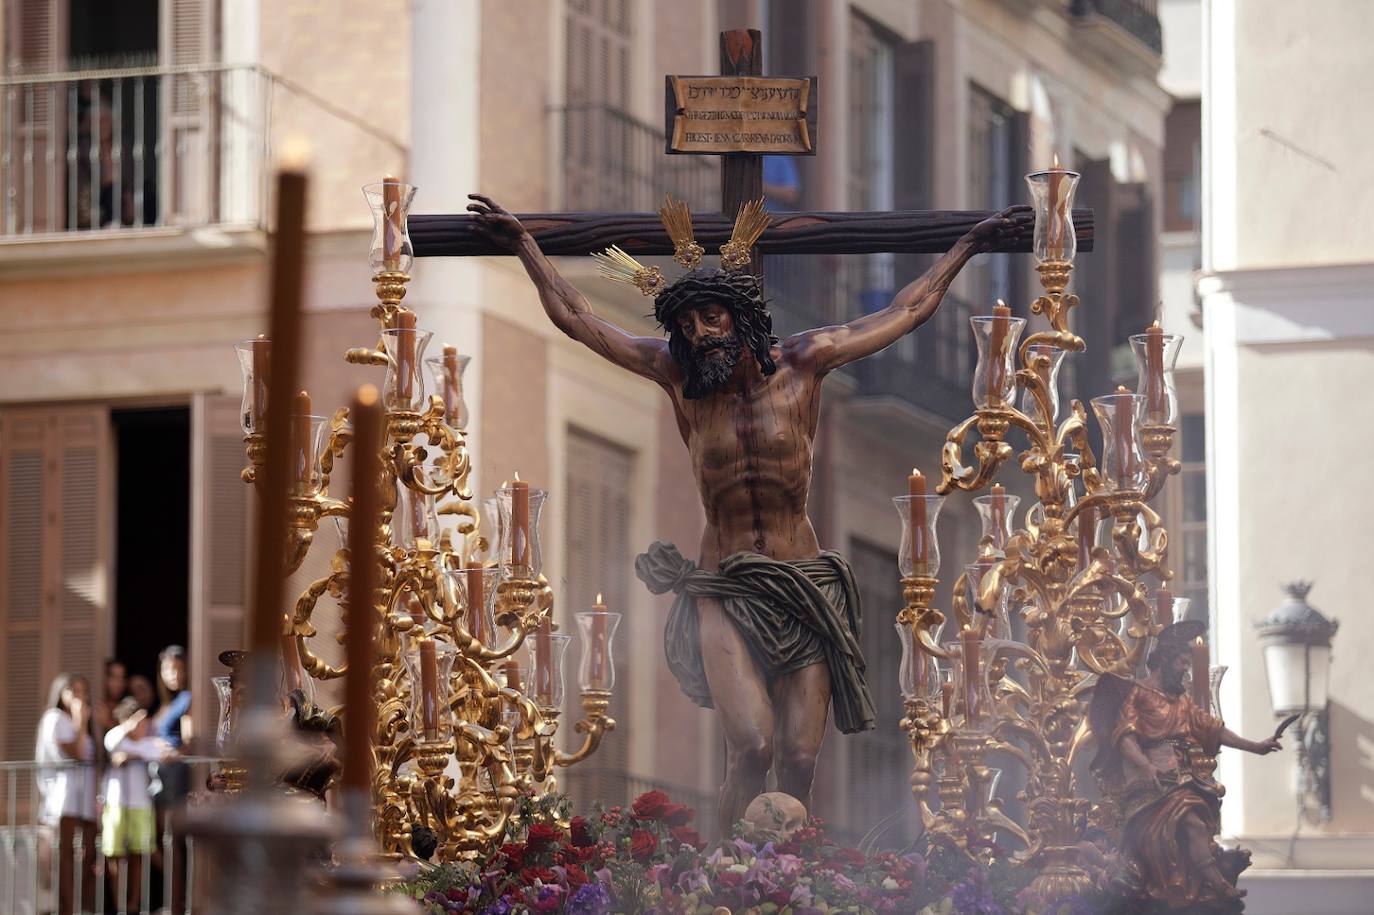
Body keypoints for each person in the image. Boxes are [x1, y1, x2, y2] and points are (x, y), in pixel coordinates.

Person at [467, 192, 1022, 830]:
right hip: (725, 588)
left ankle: (784, 888)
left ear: (741, 318)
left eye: (712, 318)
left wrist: (969, 244)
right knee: (753, 750)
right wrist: (524, 247)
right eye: (688, 325)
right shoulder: (676, 376)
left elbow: (909, 308)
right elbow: (578, 316)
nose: (699, 334)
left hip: (804, 586)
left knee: (800, 757)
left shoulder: (804, 364)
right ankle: (724, 882)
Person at [1090, 622, 1282, 907]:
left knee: (1196, 820)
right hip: (1152, 782)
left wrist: (1255, 746)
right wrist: (1144, 766)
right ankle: (1216, 885)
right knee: (1189, 822)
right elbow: (1124, 736)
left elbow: (1214, 729)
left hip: (1183, 778)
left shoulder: (1181, 701)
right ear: (1165, 660)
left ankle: (1205, 884)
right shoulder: (1139, 693)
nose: (1185, 670)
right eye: (1182, 663)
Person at [35, 674, 99, 915]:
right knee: (66, 857)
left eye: (83, 690)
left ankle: (84, 905)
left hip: (85, 799)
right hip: (64, 798)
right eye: (73, 690)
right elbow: (77, 752)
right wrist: (80, 721)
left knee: (89, 855)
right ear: (61, 692)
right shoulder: (55, 718)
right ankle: (67, 908)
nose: (79, 696)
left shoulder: (79, 721)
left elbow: (94, 756)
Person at [102, 698, 170, 913]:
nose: (142, 727)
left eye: (144, 723)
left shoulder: (147, 743)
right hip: (116, 803)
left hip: (140, 804)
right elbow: (110, 741)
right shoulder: (117, 738)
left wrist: (132, 755)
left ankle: (133, 903)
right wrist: (128, 726)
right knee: (116, 855)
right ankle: (119, 904)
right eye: (139, 723)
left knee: (139, 854)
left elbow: (159, 753)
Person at [94, 658, 129, 737]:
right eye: (114, 677)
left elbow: (129, 739)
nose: (119, 683)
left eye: (122, 678)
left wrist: (108, 723)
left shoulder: (129, 705)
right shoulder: (92, 704)